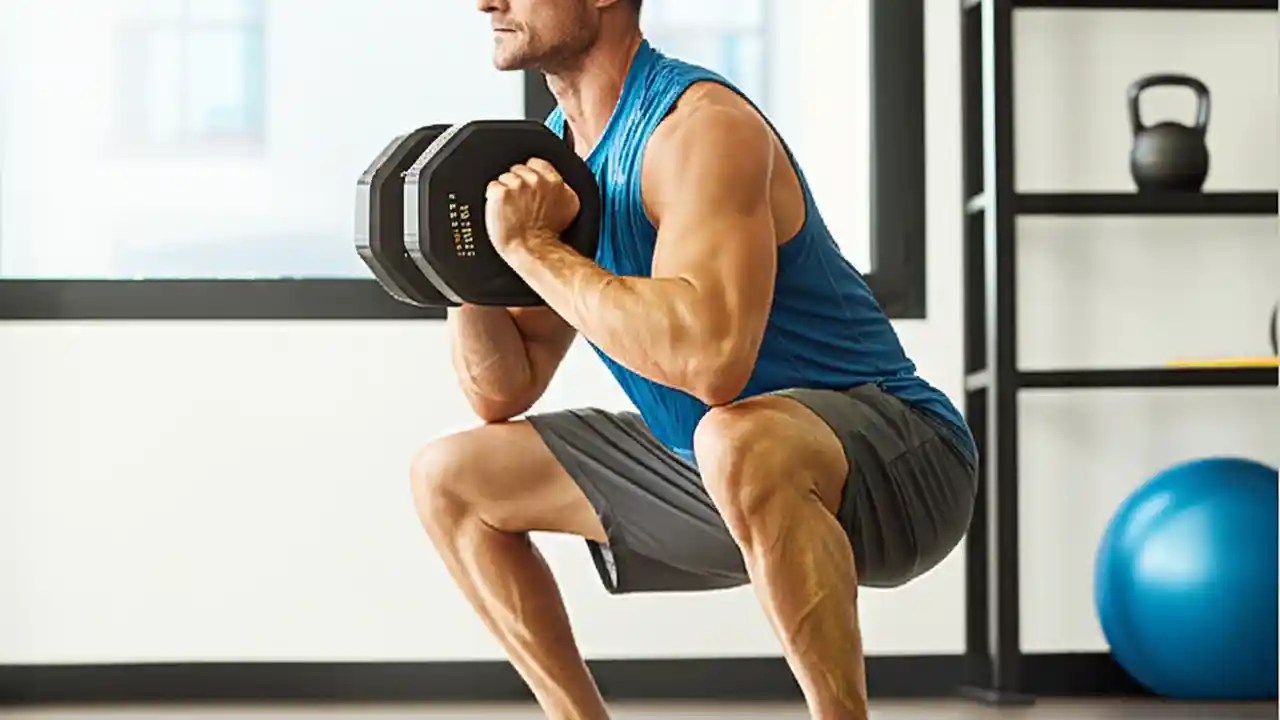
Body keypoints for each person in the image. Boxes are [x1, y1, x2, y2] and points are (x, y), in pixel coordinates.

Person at [409, 1, 979, 718]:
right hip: (709, 463)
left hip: (902, 459)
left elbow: (712, 364)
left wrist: (534, 249)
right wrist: (469, 269)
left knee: (734, 435)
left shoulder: (700, 127)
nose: (488, 1)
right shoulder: (559, 162)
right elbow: (503, 389)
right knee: (451, 477)